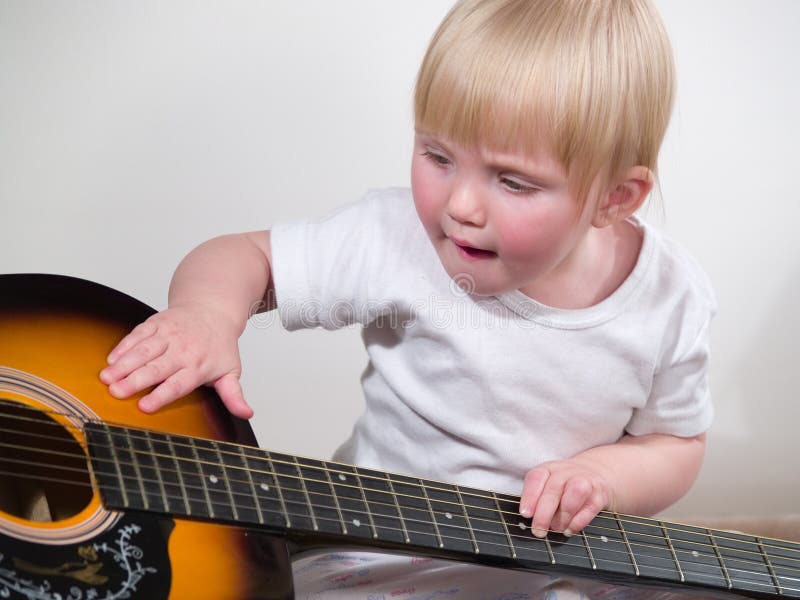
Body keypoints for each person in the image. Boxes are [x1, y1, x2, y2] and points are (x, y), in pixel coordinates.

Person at [100, 0, 715, 597]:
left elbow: (676, 443)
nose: (460, 207)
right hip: (381, 552)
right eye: (438, 156)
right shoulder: (396, 239)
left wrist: (604, 478)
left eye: (512, 181)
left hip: (562, 558)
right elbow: (245, 257)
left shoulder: (669, 296)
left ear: (615, 197)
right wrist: (208, 313)